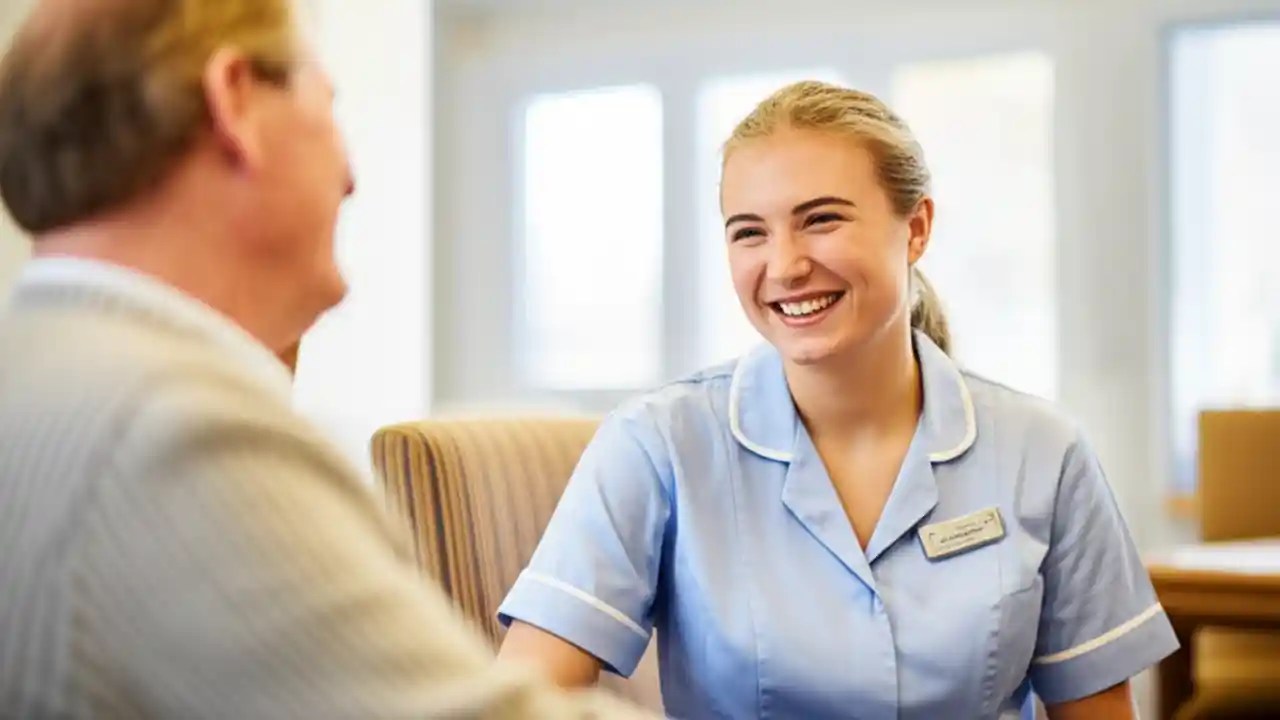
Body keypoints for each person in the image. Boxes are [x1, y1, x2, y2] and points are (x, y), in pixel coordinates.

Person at [0, 1, 655, 718]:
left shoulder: (41, 372)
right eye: (329, 106)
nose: (349, 175)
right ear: (236, 101)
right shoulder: (177, 436)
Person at [496, 80, 1179, 720]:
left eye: (821, 220)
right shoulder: (658, 444)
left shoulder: (1043, 452)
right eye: (749, 231)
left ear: (915, 229)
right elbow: (525, 696)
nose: (785, 265)